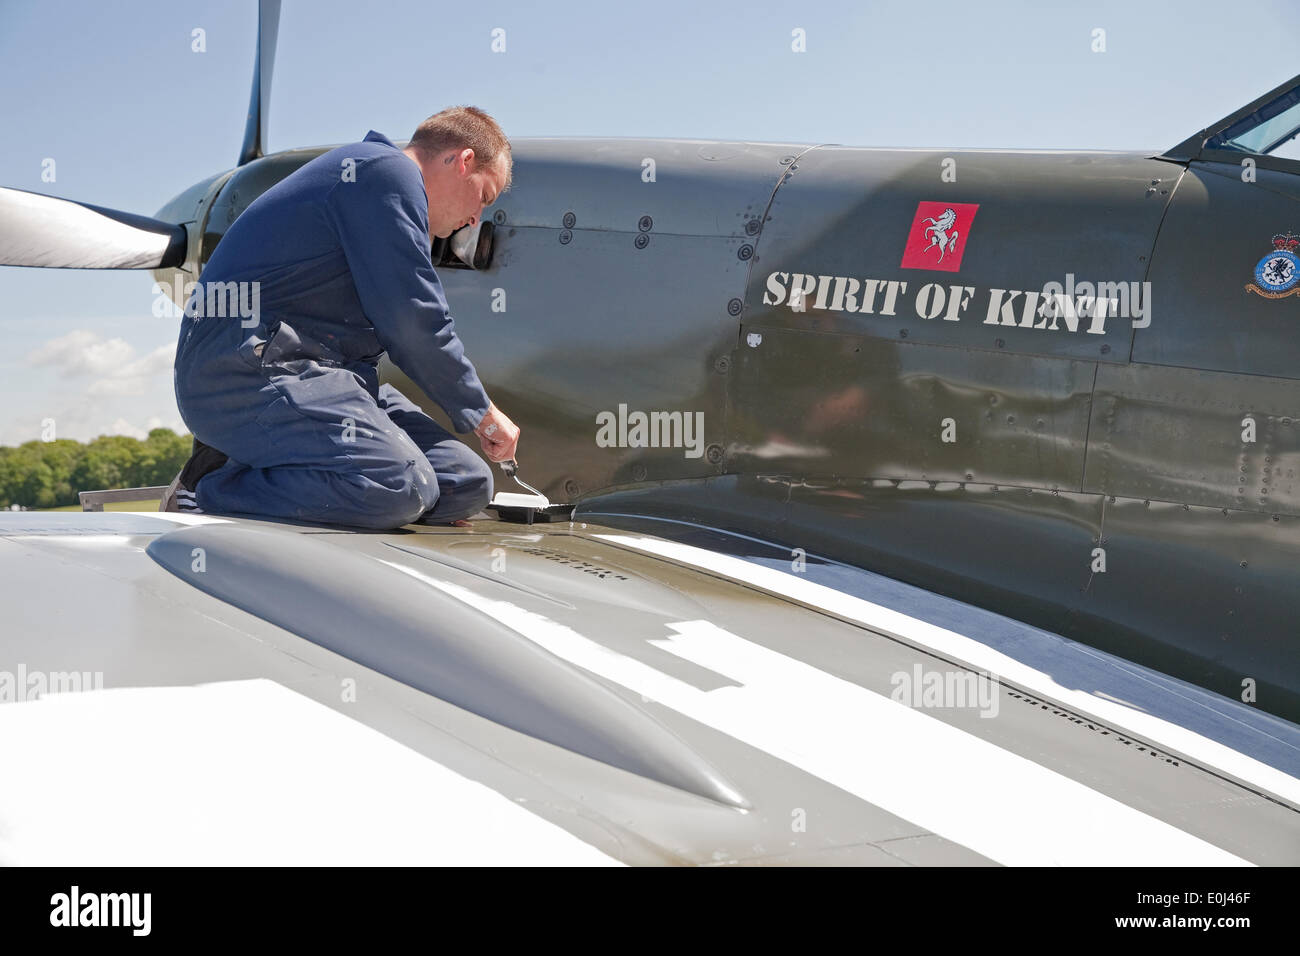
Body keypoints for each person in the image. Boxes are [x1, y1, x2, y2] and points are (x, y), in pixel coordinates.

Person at [165, 106, 519, 529]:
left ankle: (351, 492)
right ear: (463, 162)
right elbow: (412, 319)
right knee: (402, 485)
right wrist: (479, 409)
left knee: (466, 483)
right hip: (245, 373)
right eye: (484, 196)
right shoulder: (386, 174)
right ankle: (207, 488)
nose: (476, 218)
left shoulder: (381, 184)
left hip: (329, 374)